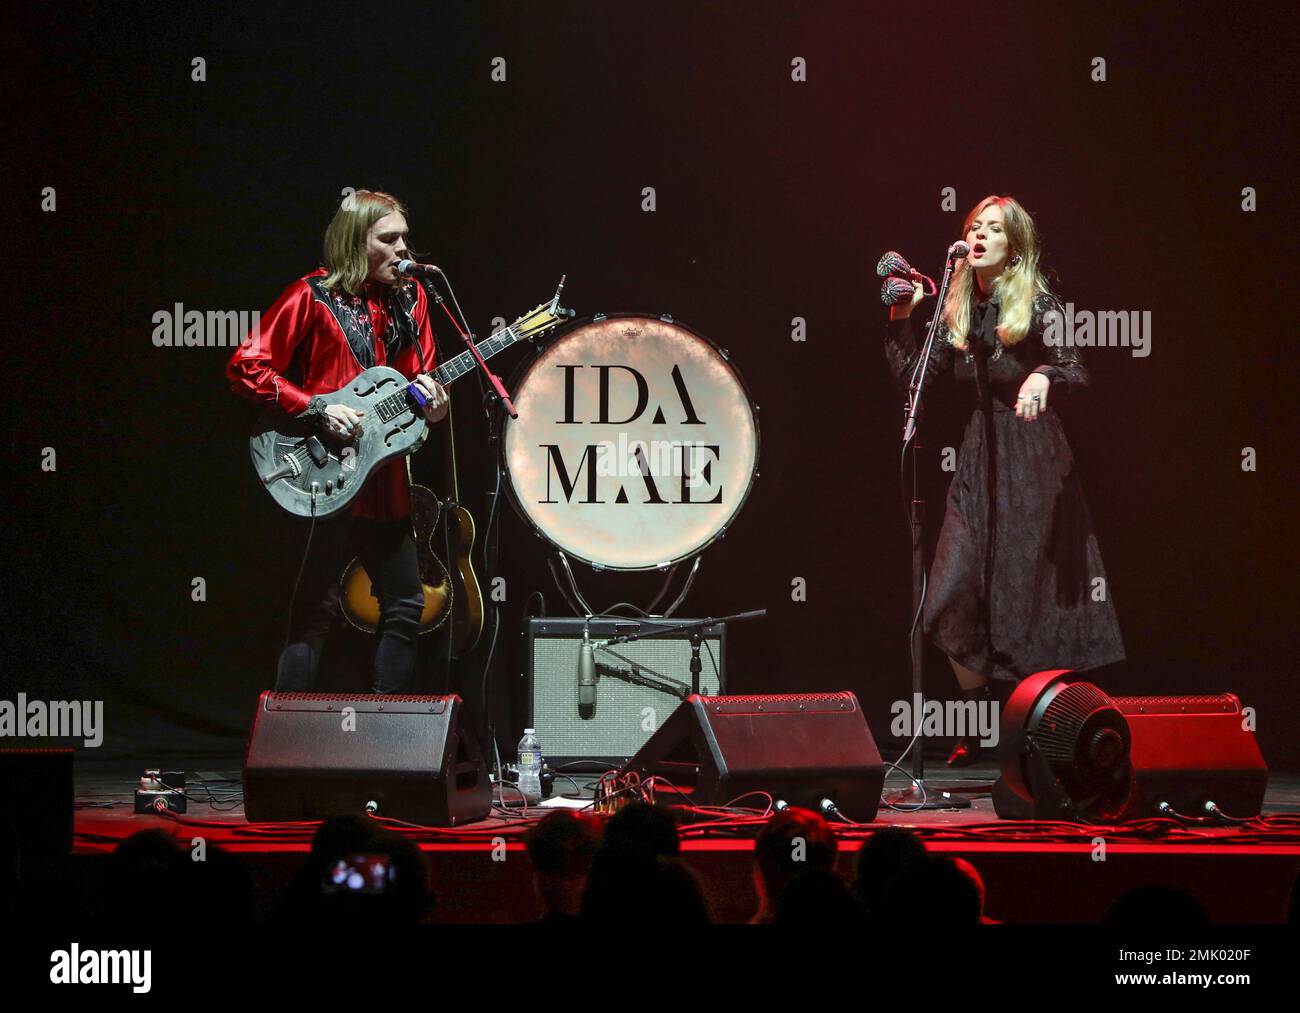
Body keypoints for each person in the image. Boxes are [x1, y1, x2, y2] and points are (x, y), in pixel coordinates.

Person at [882, 195, 1125, 764]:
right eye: (974, 227)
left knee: (1027, 597)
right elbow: (914, 386)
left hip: (1035, 463)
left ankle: (1038, 730)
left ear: (1015, 247)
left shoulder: (1039, 305)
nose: (980, 235)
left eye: (994, 229)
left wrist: (1043, 375)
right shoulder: (958, 310)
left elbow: (1076, 370)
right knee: (945, 596)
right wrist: (901, 318)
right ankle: (984, 715)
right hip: (977, 461)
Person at [228, 190, 450, 694]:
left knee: (407, 605)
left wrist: (435, 407)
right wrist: (317, 407)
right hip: (320, 472)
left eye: (405, 239)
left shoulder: (413, 300)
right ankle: (287, 746)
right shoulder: (311, 296)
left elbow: (421, 387)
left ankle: (379, 735)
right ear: (355, 242)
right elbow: (246, 366)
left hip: (384, 479)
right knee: (316, 608)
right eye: (388, 239)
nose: (402, 250)